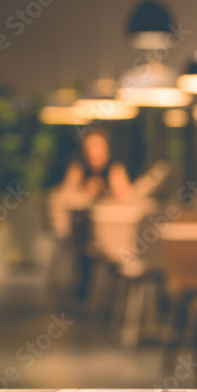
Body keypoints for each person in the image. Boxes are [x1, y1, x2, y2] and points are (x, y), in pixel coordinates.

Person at [58, 128, 134, 300]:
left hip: (114, 232)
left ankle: (102, 293)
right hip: (84, 230)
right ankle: (83, 287)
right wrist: (85, 192)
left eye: (98, 146)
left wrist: (107, 191)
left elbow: (127, 199)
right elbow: (66, 196)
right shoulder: (78, 169)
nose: (94, 151)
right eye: (90, 147)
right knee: (81, 231)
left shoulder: (115, 169)